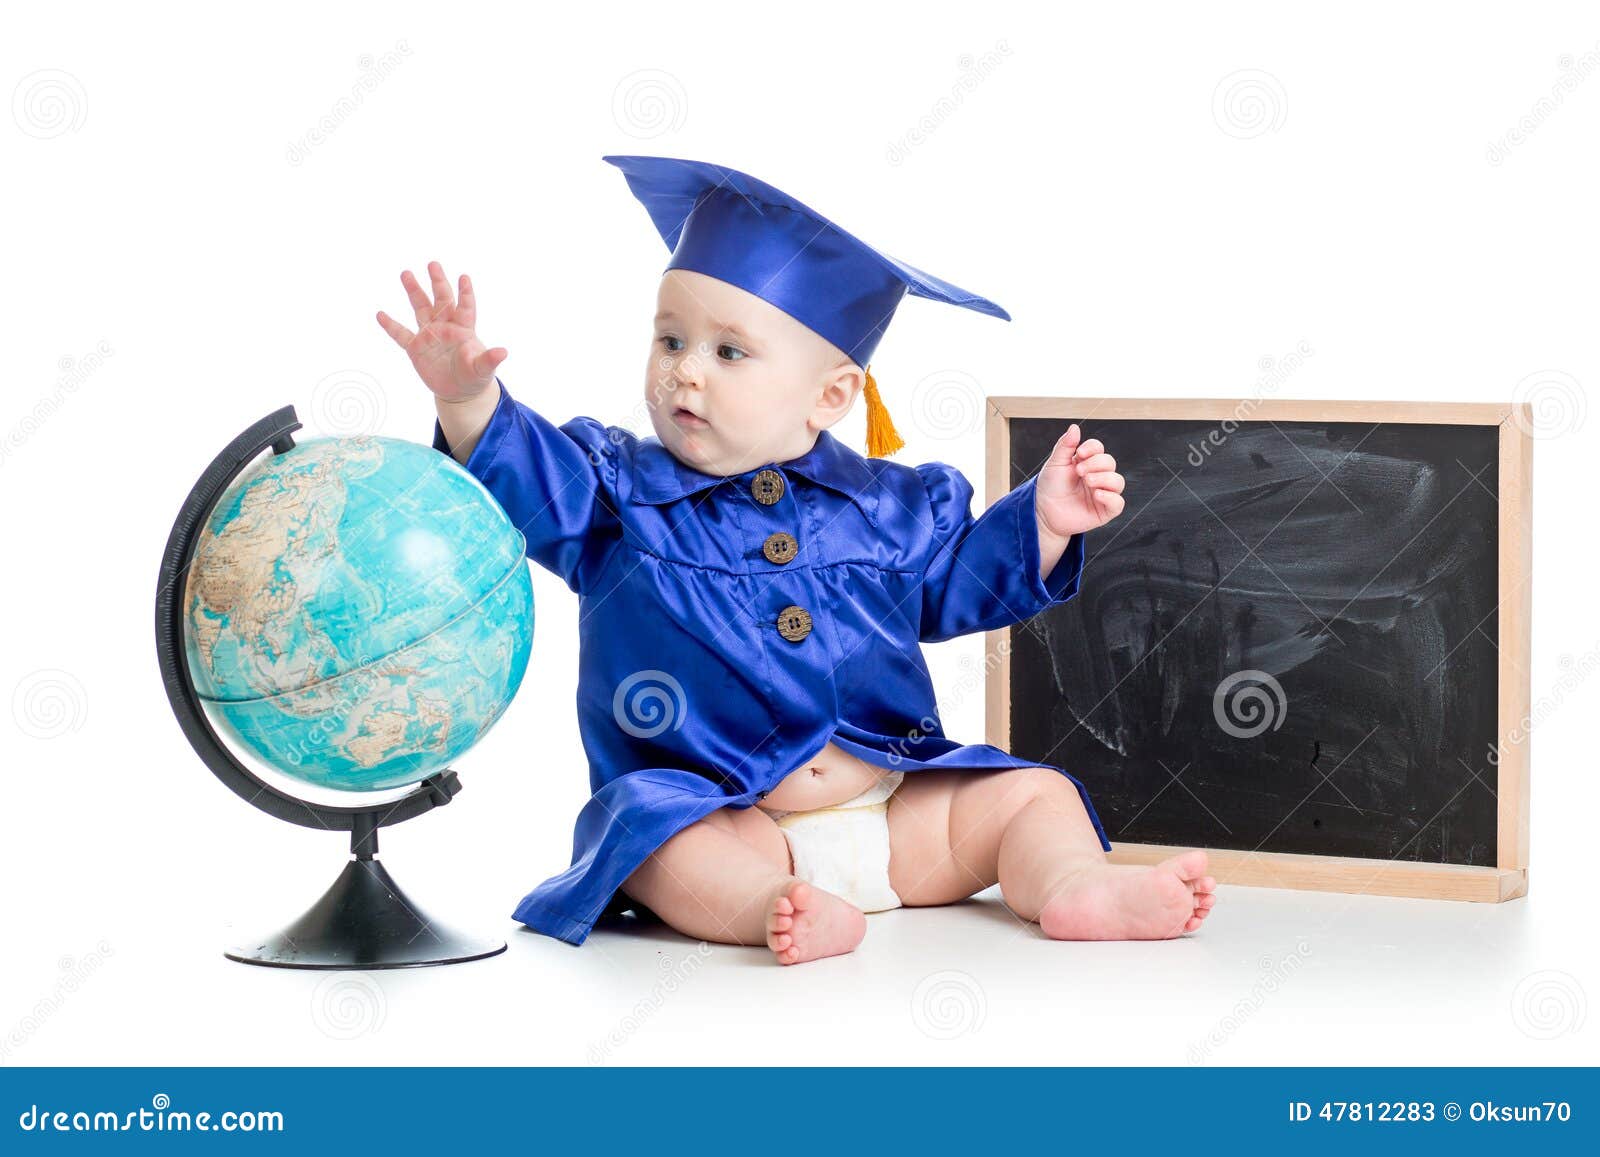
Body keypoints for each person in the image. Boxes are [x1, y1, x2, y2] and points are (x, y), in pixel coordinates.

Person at [376, 156, 1216, 964]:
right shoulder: (615, 492)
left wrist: (1043, 520)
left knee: (1037, 794)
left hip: (898, 808)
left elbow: (960, 585)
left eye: (727, 352)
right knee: (648, 832)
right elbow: (532, 489)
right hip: (729, 814)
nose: (683, 374)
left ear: (832, 396)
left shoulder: (889, 506)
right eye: (670, 339)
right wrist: (467, 398)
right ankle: (772, 910)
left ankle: (1074, 886)